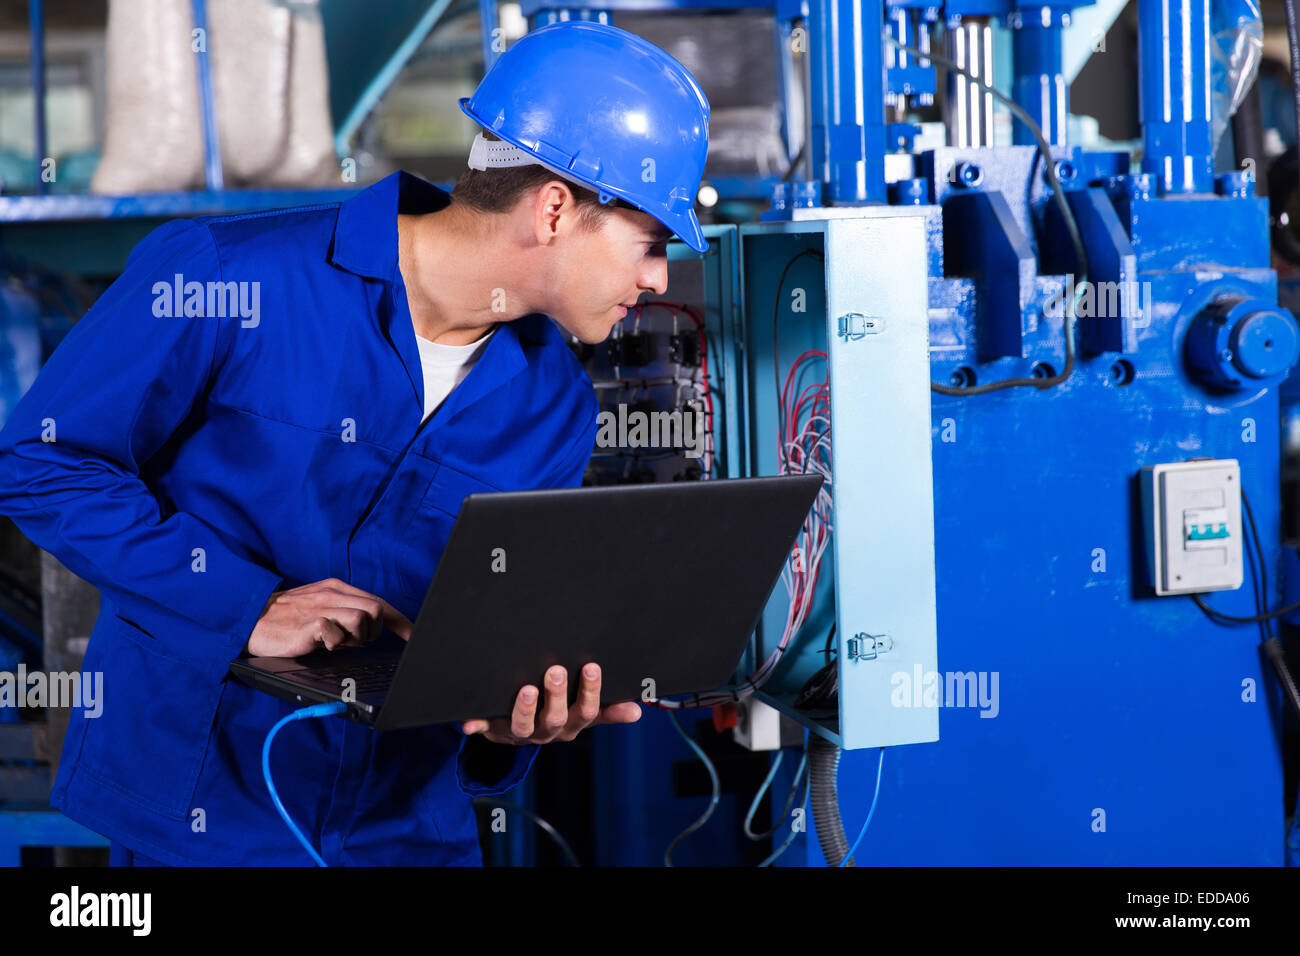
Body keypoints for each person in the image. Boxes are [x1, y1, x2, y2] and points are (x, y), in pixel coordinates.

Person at [0, 21, 710, 865]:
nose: (659, 277)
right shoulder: (228, 278)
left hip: (407, 832)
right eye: (652, 242)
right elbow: (42, 463)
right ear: (555, 208)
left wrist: (520, 720)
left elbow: (490, 634)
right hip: (199, 814)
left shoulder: (555, 402)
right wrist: (246, 607)